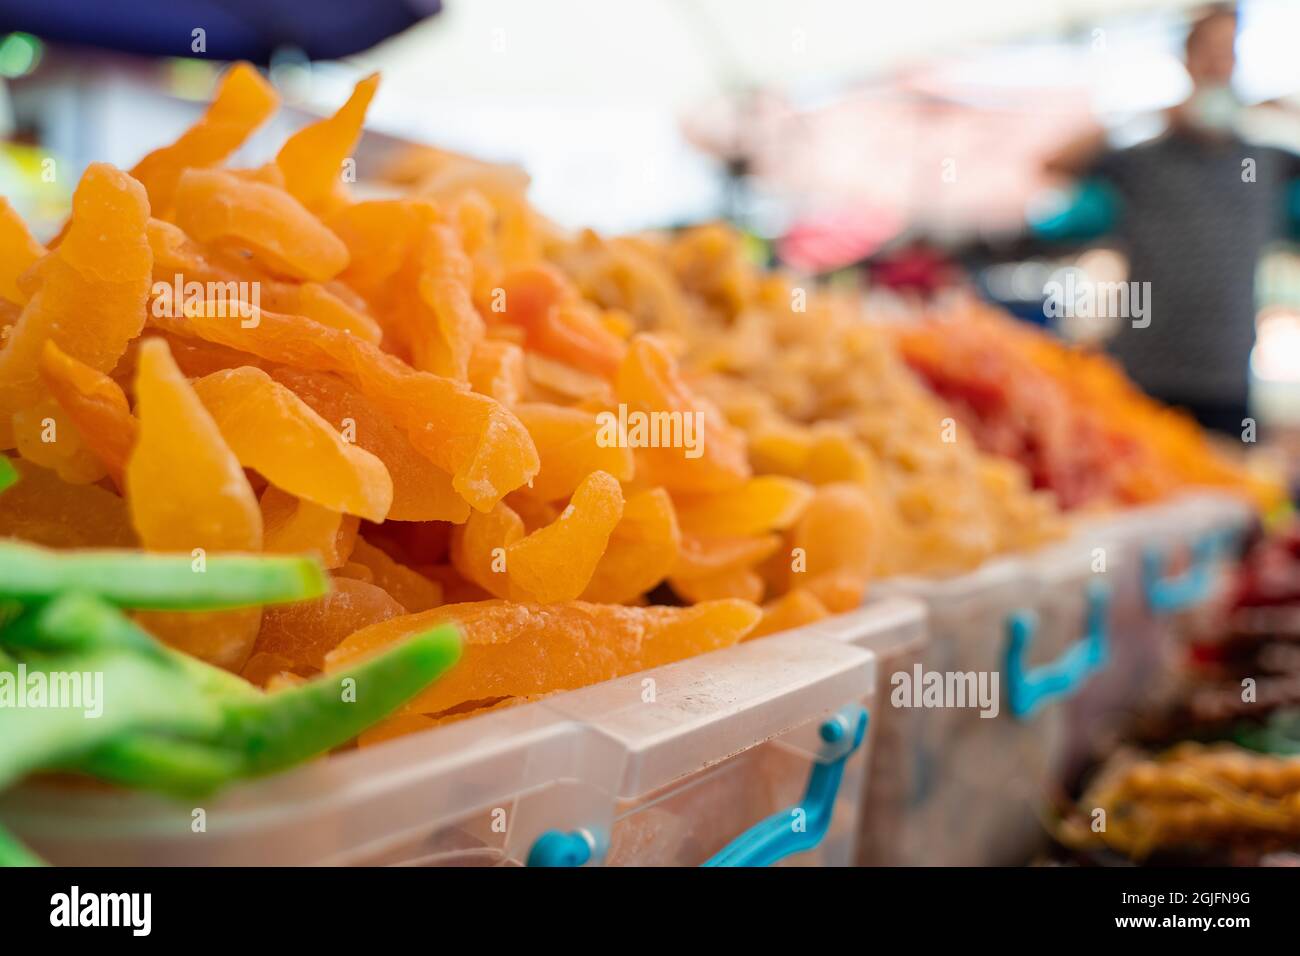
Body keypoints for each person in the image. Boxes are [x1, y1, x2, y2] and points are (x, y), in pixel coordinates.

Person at [1043, 4, 1300, 437]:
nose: (1219, 66)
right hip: (1146, 371)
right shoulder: (1144, 159)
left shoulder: (1266, 160)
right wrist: (1146, 112)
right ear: (1187, 61)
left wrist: (1280, 109)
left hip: (1225, 374)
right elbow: (1056, 163)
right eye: (1208, 53)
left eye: (1228, 53)